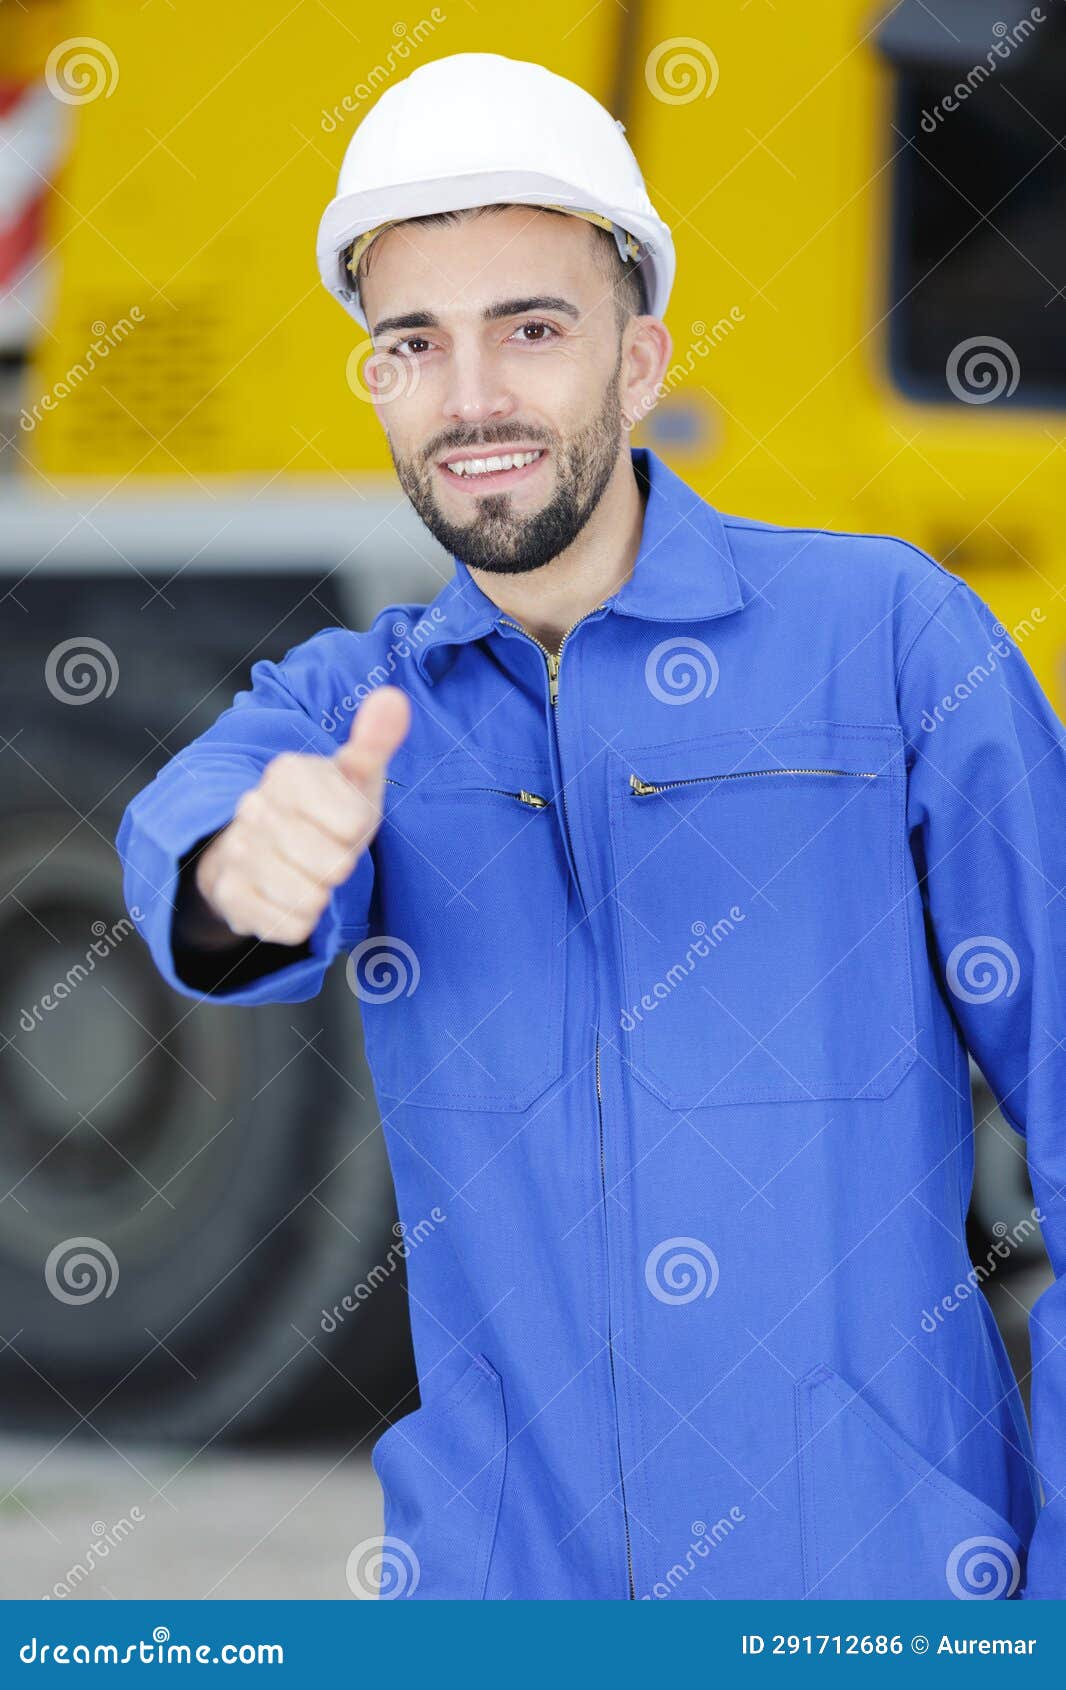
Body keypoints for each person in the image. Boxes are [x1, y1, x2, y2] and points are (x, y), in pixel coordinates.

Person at [116, 52, 1066, 1601]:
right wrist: (242, 871)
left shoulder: (887, 639)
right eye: (413, 343)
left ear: (638, 363)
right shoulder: (353, 704)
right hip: (501, 1598)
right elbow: (200, 836)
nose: (470, 396)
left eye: (531, 329)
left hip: (872, 1585)